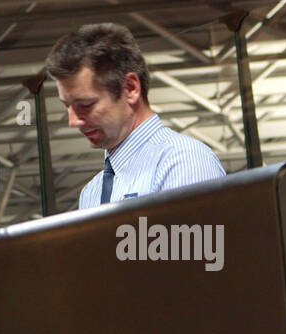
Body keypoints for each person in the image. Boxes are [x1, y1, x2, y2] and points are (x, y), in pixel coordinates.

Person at [45, 23, 225, 209]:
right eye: (67, 106)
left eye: (85, 105)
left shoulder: (183, 161)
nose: (73, 121)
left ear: (130, 88)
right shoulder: (92, 192)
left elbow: (199, 239)